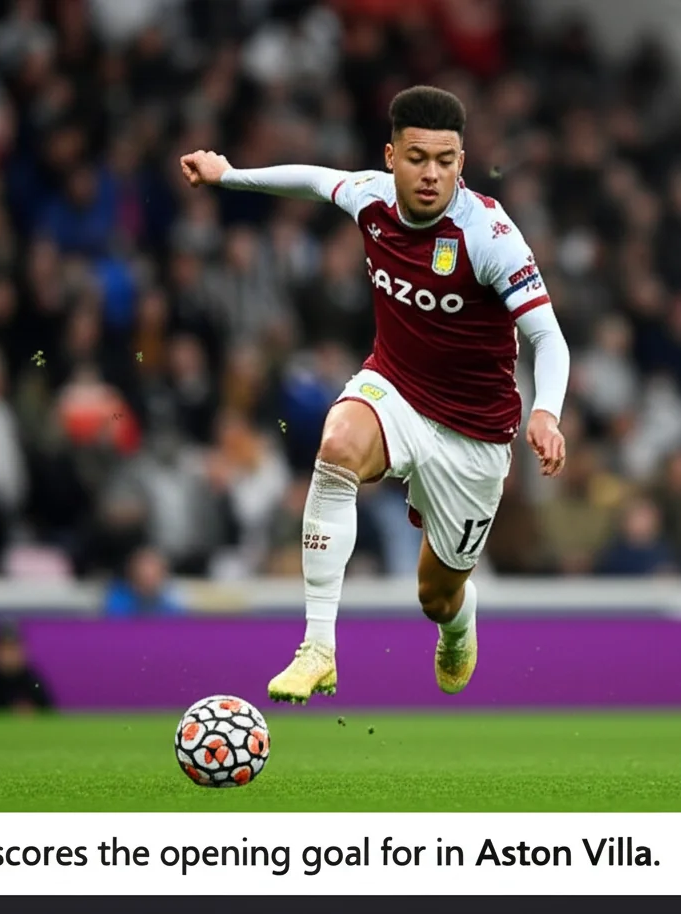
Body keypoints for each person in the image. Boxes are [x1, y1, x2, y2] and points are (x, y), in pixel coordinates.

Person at [180, 85, 570, 703]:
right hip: (395, 388)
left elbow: (548, 337)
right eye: (418, 158)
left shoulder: (490, 235)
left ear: (462, 163)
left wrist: (546, 411)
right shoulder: (371, 197)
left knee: (436, 595)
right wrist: (229, 176)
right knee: (336, 445)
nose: (431, 173)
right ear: (391, 157)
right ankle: (318, 648)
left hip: (474, 434)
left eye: (446, 160)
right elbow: (313, 180)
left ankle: (459, 626)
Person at [0, 620, 54, 712]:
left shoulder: (33, 681)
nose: (8, 655)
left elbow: (50, 715)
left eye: (12, 648)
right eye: (4, 648)